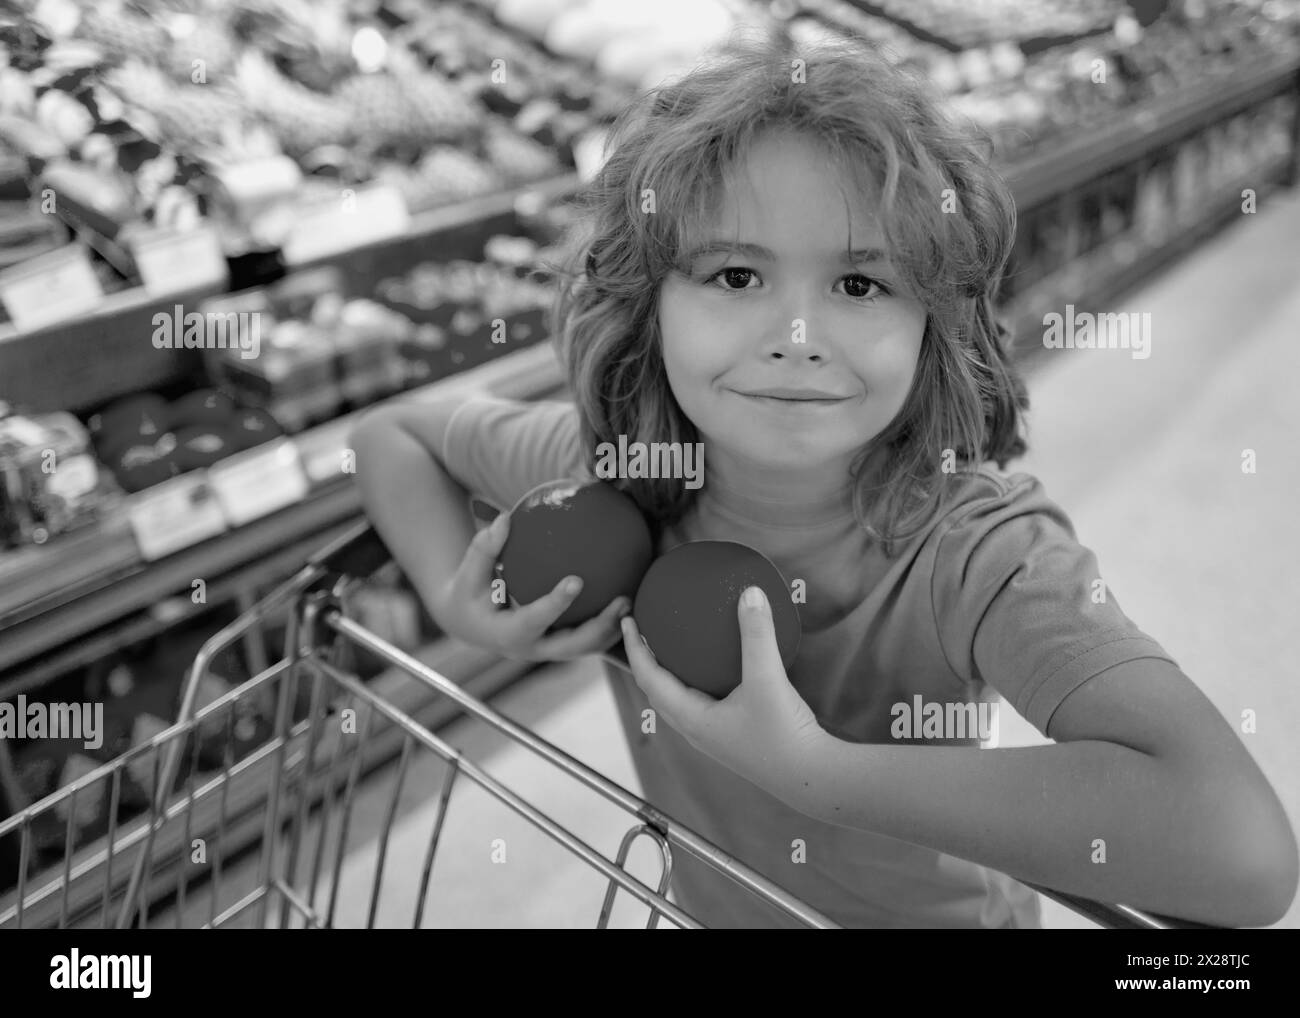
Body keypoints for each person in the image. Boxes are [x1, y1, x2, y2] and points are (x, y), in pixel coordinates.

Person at [352, 27, 1297, 928]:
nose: (795, 341)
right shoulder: (612, 475)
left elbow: (1245, 856)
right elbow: (391, 435)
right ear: (647, 310)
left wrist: (819, 773)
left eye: (859, 285)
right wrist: (454, 599)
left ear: (937, 329)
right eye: (732, 276)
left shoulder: (974, 550)